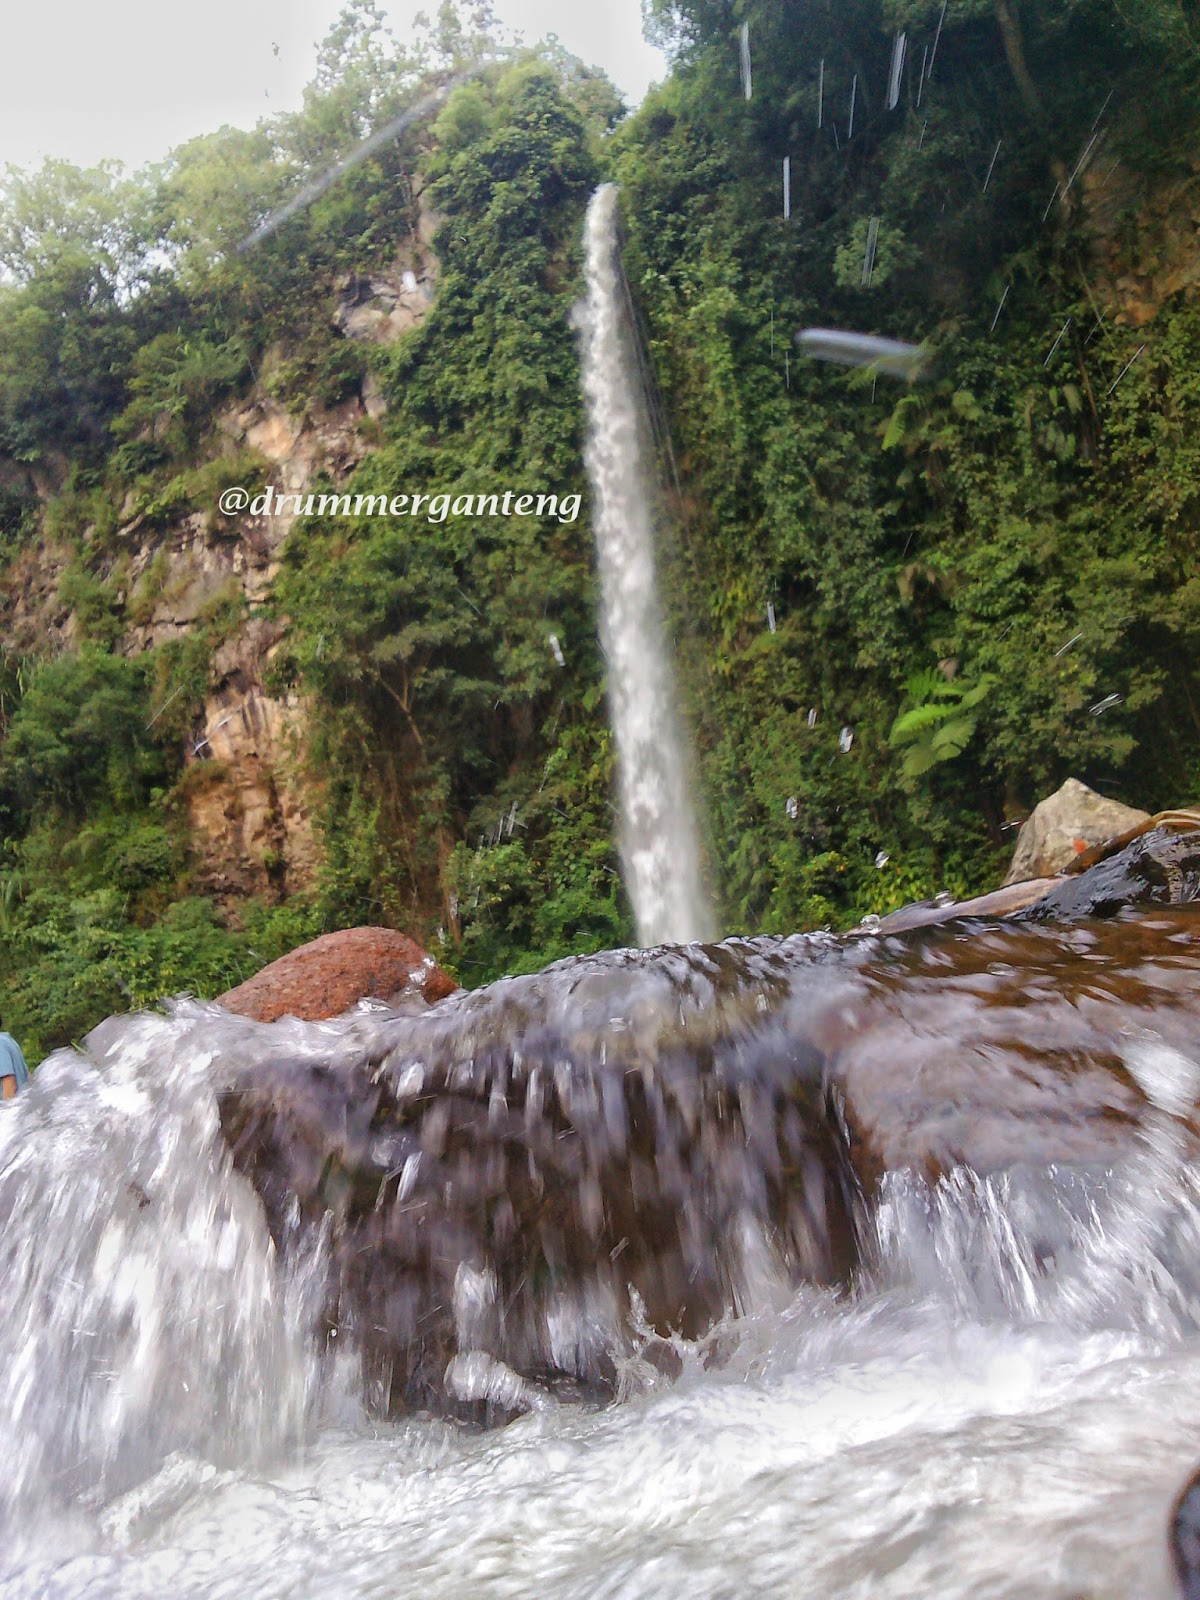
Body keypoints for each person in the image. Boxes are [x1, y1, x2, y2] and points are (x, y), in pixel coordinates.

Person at [0, 1014, 30, 1100]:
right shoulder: (8, 1040)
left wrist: (6, 1112)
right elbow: (28, 1076)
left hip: (12, 1110)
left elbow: (9, 1083)